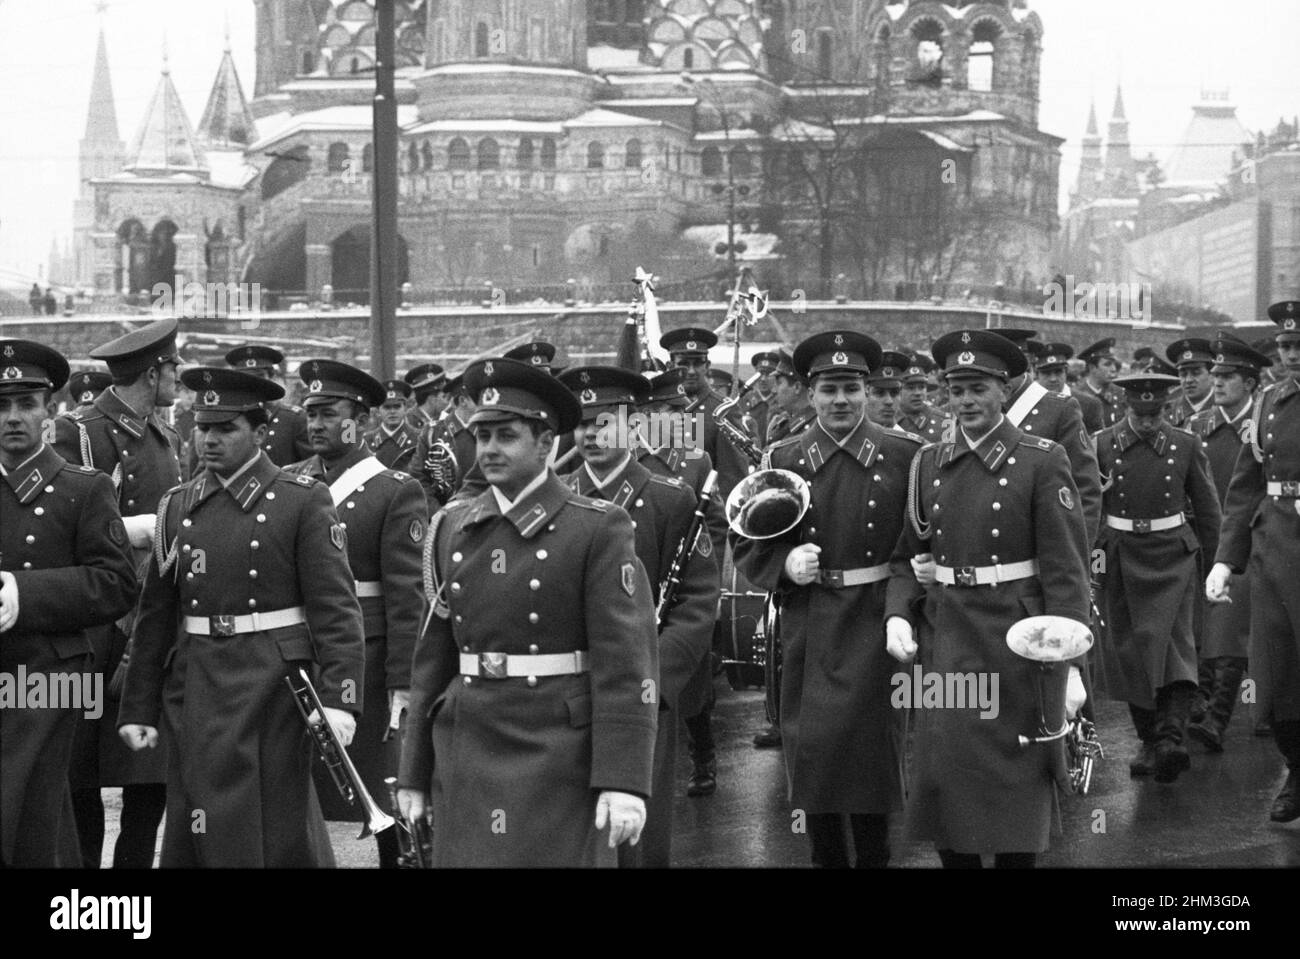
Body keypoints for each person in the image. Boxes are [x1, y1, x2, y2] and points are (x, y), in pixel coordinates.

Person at [397, 358, 659, 867]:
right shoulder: (453, 526)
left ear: (545, 443)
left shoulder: (597, 528)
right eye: (482, 435)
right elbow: (433, 660)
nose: (489, 449)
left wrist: (624, 781)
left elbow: (626, 662)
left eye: (506, 436)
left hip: (559, 753)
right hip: (469, 747)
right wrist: (413, 773)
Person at [117, 367, 365, 866]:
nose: (209, 439)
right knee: (198, 812)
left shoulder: (302, 500)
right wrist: (138, 705)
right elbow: (156, 616)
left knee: (274, 818)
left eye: (226, 428)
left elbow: (336, 609)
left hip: (275, 683)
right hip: (198, 680)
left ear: (260, 429)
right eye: (203, 427)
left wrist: (341, 700)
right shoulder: (177, 507)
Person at [886, 329, 1090, 868]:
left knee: (1017, 770)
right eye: (956, 390)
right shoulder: (928, 463)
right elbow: (907, 556)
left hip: (1019, 639)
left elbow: (1067, 572)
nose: (967, 401)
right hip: (948, 633)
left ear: (1004, 390)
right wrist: (896, 617)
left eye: (978, 388)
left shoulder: (1041, 460)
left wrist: (1071, 665)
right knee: (945, 772)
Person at [734, 330, 920, 868]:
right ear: (810, 393)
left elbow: (920, 542)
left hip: (879, 620)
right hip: (811, 623)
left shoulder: (905, 455)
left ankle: (876, 858)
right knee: (812, 755)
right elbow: (745, 534)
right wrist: (783, 566)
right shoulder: (784, 457)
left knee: (874, 760)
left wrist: (905, 611)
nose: (841, 400)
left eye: (851, 388)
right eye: (829, 388)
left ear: (867, 391)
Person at [560, 365, 718, 867]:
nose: (592, 434)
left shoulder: (671, 500)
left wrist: (654, 678)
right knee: (573, 832)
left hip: (644, 694)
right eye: (583, 424)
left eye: (606, 422)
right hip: (565, 692)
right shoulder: (554, 495)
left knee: (638, 841)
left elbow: (696, 604)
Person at [284, 360, 426, 868]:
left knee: (380, 793)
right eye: (310, 413)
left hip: (367, 657)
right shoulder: (287, 482)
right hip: (301, 655)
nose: (316, 424)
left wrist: (402, 681)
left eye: (329, 413)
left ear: (360, 420)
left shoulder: (394, 490)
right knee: (298, 797)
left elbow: (407, 596)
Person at [1, 340, 137, 867]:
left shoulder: (82, 489)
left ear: (50, 411)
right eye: (2, 405)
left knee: (20, 790)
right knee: (39, 807)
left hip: (51, 671)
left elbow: (116, 583)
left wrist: (24, 593)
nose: (13, 418)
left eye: (27, 404)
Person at [53, 316, 182, 869]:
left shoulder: (167, 437)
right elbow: (60, 524)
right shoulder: (79, 432)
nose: (179, 377)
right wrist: (139, 528)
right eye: (174, 367)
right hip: (92, 628)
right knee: (81, 771)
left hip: (147, 624)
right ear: (153, 374)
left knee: (148, 767)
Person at [1094, 373, 1220, 783]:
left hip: (1174, 556)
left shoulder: (1186, 444)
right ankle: (1149, 740)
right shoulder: (1101, 444)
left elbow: (1207, 508)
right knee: (1131, 652)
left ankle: (1170, 738)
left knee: (1176, 647)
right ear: (1125, 406)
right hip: (1122, 553)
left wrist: (1219, 567)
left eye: (1156, 412)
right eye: (1139, 412)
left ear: (1167, 407)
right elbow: (1090, 512)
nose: (1148, 422)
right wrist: (1093, 568)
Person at [1206, 299, 1300, 822]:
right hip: (1274, 551)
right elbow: (1245, 488)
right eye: (1285, 346)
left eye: (1298, 345)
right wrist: (1226, 560)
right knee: (1278, 673)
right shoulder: (1269, 403)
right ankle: (1296, 768)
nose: (1291, 355)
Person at [1186, 336, 1271, 752]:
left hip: (1250, 538)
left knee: (1234, 630)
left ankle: (1220, 717)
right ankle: (1203, 705)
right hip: (1205, 536)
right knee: (1205, 627)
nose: (1217, 383)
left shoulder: (1261, 425)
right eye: (1215, 375)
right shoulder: (1197, 426)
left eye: (1228, 376)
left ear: (1250, 382)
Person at [223, 345, 311, 467]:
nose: (252, 384)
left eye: (259, 377)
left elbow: (310, 467)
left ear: (271, 378)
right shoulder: (225, 418)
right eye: (244, 379)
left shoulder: (293, 419)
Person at [365, 378, 420, 471]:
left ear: (405, 408)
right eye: (387, 407)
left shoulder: (419, 439)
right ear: (378, 411)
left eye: (397, 406)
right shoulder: (367, 441)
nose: (392, 412)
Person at [897, 352, 948, 443]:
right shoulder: (888, 420)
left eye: (921, 387)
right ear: (898, 390)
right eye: (910, 388)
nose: (917, 393)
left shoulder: (945, 422)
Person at [1165, 338, 1215, 427]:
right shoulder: (1166, 413)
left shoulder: (1225, 409)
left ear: (1212, 375)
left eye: (1196, 373)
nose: (1188, 380)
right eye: (1183, 374)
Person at [1076, 338, 1126, 427]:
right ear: (1092, 368)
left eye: (1114, 364)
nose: (1113, 369)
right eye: (1107, 364)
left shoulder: (1119, 393)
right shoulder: (1078, 395)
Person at [864, 350, 910, 431]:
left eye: (894, 393)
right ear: (864, 394)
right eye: (879, 393)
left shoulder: (906, 441)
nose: (889, 401)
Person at [742, 351, 779, 444]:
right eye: (760, 374)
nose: (763, 379)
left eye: (768, 374)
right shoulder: (744, 400)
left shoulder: (782, 402)